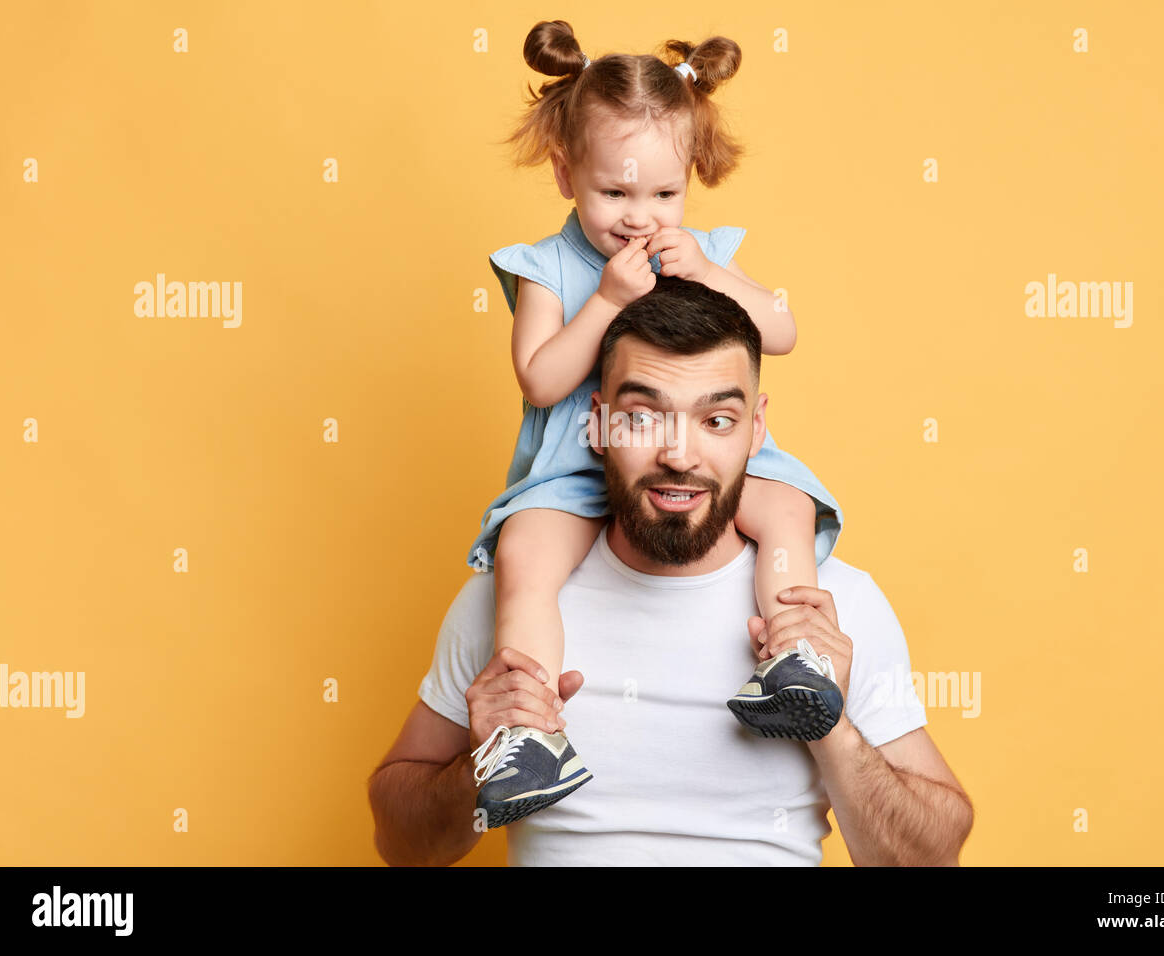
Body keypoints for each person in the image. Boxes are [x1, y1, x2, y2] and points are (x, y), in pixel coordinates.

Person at [369, 276, 974, 865]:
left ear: (755, 429)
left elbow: (929, 858)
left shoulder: (833, 605)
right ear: (598, 424)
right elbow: (403, 847)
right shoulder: (514, 601)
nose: (679, 456)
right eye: (642, 417)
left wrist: (830, 724)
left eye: (716, 421)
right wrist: (482, 759)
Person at [467, 19, 844, 827]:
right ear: (567, 173)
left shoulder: (700, 249)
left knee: (788, 511)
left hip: (694, 465)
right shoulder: (550, 268)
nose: (641, 217)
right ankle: (528, 732)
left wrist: (707, 270)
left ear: (691, 182)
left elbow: (780, 330)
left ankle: (795, 660)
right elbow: (540, 381)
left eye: (664, 194)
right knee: (525, 559)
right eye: (616, 193)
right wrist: (603, 298)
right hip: (579, 463)